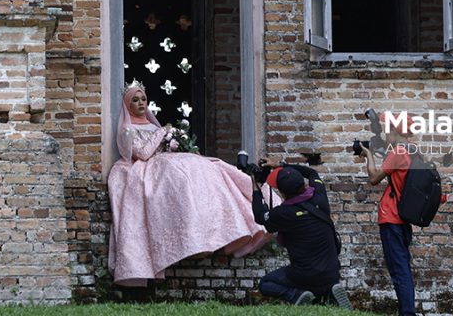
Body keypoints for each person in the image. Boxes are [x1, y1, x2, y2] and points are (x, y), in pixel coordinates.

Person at [106, 84, 270, 286]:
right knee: (179, 177)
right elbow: (142, 154)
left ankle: (219, 227)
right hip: (144, 167)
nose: (141, 103)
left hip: (165, 162)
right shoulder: (127, 129)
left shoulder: (152, 125)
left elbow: (164, 147)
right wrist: (162, 134)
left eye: (143, 99)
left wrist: (174, 142)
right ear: (127, 104)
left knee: (204, 166)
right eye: (135, 100)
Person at [250, 162, 352, 308]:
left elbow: (260, 216)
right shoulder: (319, 197)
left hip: (304, 276)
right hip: (332, 272)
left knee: (265, 284)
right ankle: (329, 293)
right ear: (303, 184)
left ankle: (297, 295)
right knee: (317, 279)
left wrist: (255, 185)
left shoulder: (284, 213)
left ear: (283, 193)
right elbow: (312, 173)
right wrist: (282, 164)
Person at [359, 120, 416, 316]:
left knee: (399, 271)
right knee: (402, 268)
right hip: (403, 220)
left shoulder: (399, 152)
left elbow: (374, 178)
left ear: (396, 132)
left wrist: (368, 155)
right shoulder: (413, 151)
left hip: (392, 218)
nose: (386, 135)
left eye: (388, 131)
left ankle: (407, 313)